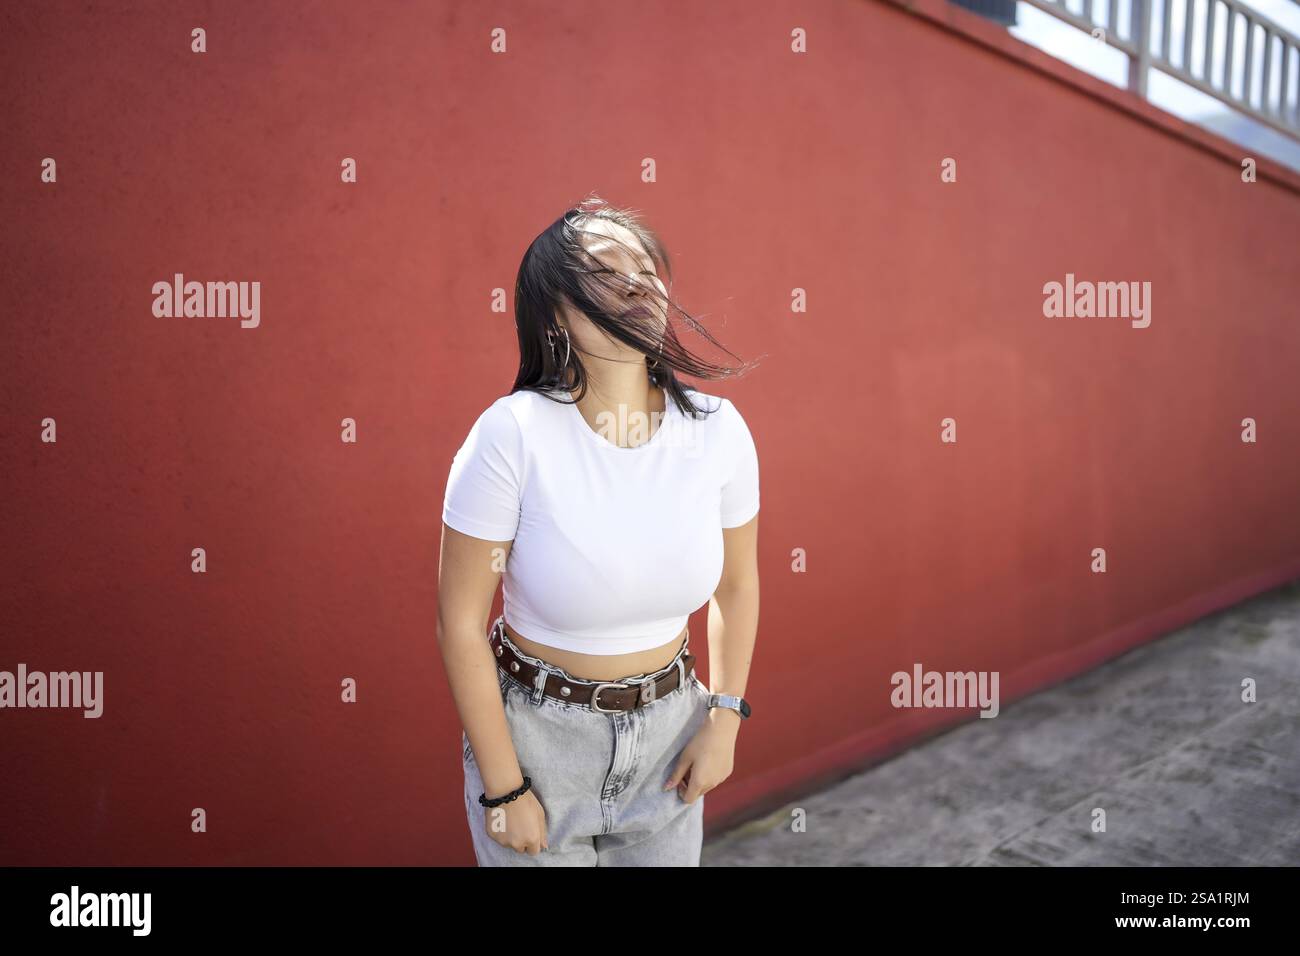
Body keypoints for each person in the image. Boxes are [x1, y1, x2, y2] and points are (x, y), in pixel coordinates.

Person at [436, 196, 761, 866]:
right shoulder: (512, 435)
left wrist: (725, 716)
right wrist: (504, 788)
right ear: (554, 311)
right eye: (605, 273)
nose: (636, 284)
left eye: (645, 267)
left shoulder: (717, 429)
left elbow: (736, 583)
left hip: (673, 736)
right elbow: (459, 622)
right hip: (537, 742)